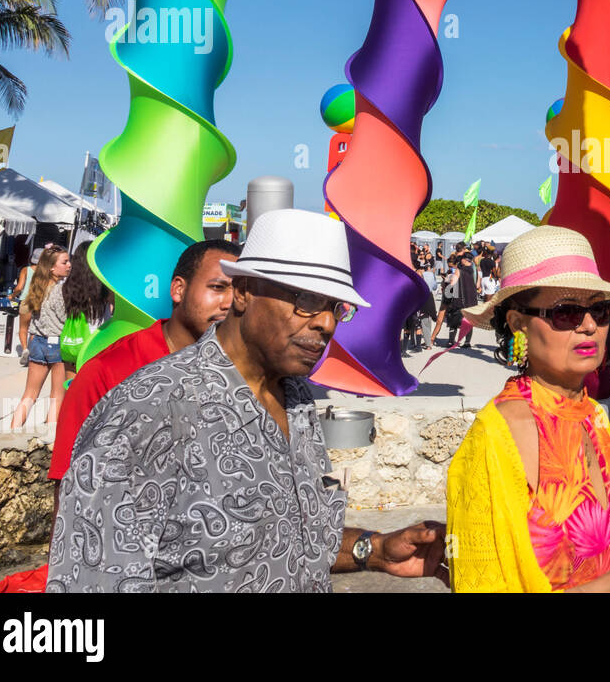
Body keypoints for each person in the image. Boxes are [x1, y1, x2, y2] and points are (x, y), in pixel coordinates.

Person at [47, 210, 446, 592]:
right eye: (306, 299)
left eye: (335, 307)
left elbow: (289, 543)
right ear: (243, 293)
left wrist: (373, 551)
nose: (326, 323)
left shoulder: (296, 399)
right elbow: (90, 578)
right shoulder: (149, 410)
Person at [447, 225, 610, 591]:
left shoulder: (594, 416)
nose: (589, 325)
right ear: (518, 323)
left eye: (599, 309)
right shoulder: (499, 434)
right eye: (565, 313)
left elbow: (594, 565)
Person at [49, 240, 243, 493]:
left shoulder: (242, 372)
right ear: (178, 289)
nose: (229, 303)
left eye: (240, 293)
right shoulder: (107, 370)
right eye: (218, 287)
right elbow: (68, 483)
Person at [10, 248, 71, 429]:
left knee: (29, 394)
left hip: (37, 341)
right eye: (64, 262)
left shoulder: (36, 288)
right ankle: (51, 437)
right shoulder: (61, 291)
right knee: (57, 396)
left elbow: (25, 315)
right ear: (52, 268)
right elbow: (64, 318)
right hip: (57, 342)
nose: (69, 265)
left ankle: (14, 431)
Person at [56, 241, 111, 373]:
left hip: (75, 345)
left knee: (70, 388)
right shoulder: (104, 289)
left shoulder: (67, 288)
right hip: (98, 345)